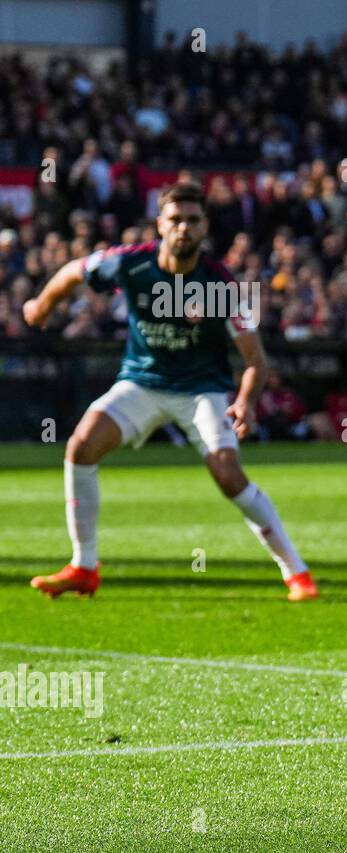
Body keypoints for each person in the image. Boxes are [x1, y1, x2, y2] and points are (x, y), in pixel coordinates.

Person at [26, 181, 317, 601]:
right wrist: (41, 306)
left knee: (228, 475)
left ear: (204, 228)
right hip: (142, 382)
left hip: (203, 392)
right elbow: (74, 271)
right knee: (81, 446)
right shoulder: (128, 263)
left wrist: (245, 402)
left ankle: (297, 573)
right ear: (159, 225)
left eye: (192, 220)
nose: (183, 228)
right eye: (175, 219)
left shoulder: (220, 285)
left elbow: (256, 360)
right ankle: (84, 567)